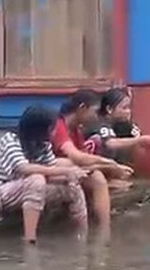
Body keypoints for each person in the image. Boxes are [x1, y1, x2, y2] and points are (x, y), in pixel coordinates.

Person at [0, 105, 89, 243]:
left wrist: (72, 175)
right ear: (39, 129)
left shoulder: (44, 144)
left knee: (71, 183)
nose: (55, 132)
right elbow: (23, 168)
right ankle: (30, 239)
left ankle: (84, 235)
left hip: (26, 192)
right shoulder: (10, 141)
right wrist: (65, 170)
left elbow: (51, 167)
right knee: (37, 179)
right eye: (52, 129)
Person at [52, 89, 134, 226]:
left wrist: (113, 168)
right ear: (82, 108)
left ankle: (104, 228)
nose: (96, 116)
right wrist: (111, 164)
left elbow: (86, 160)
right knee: (95, 176)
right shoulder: (59, 125)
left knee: (98, 176)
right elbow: (77, 157)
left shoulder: (76, 130)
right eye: (94, 111)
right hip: (50, 169)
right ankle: (103, 229)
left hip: (70, 171)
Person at [86, 87, 150, 168]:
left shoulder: (123, 125)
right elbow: (110, 144)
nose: (128, 111)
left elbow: (137, 140)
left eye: (129, 108)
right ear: (109, 109)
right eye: (124, 108)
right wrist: (140, 140)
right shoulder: (99, 122)